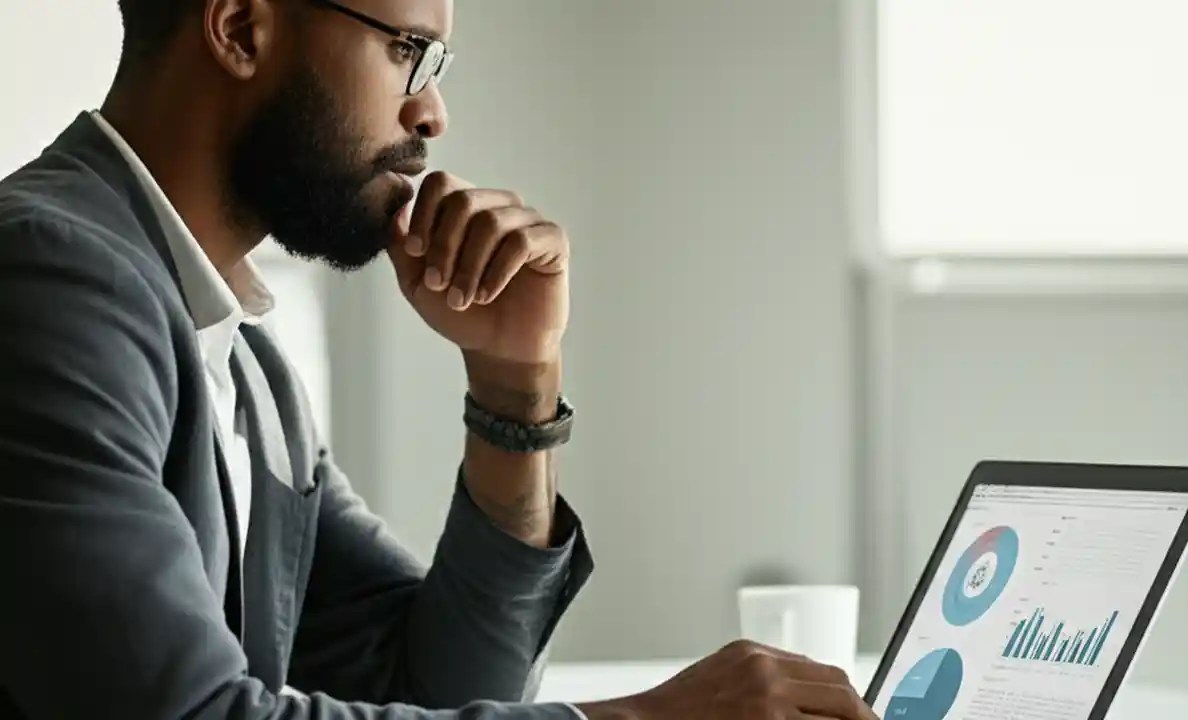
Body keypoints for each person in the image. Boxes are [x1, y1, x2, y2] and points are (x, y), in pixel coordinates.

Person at [0, 0, 877, 718]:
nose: (431, 112)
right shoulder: (50, 279)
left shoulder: (246, 363)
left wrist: (516, 388)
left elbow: (444, 688)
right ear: (239, 29)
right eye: (407, 51)